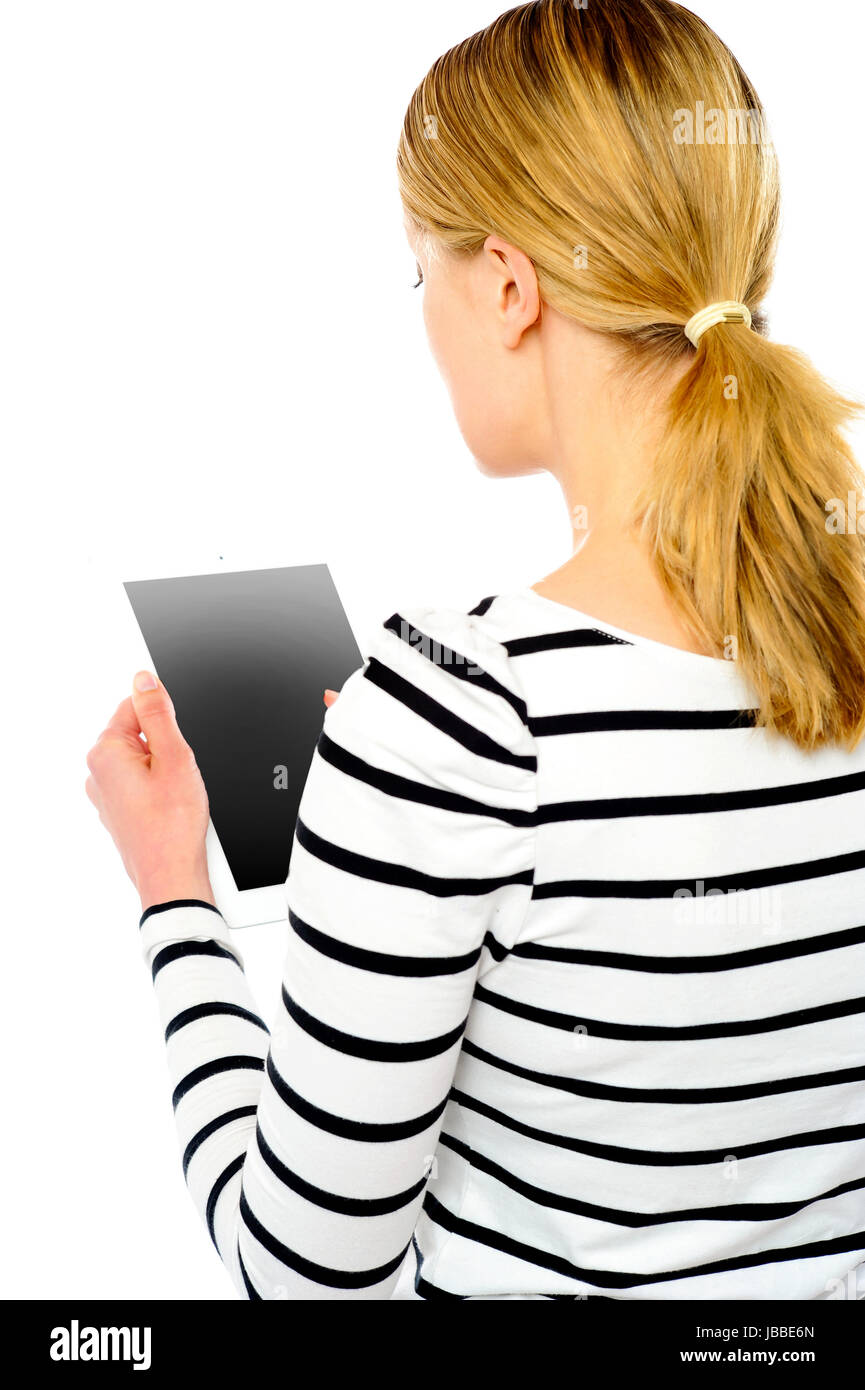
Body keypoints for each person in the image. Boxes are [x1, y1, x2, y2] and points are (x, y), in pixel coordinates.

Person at [85, 0, 865, 1300]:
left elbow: (302, 1268)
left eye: (419, 272)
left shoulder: (457, 717)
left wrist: (174, 891)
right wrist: (399, 820)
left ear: (507, 286)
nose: (424, 317)